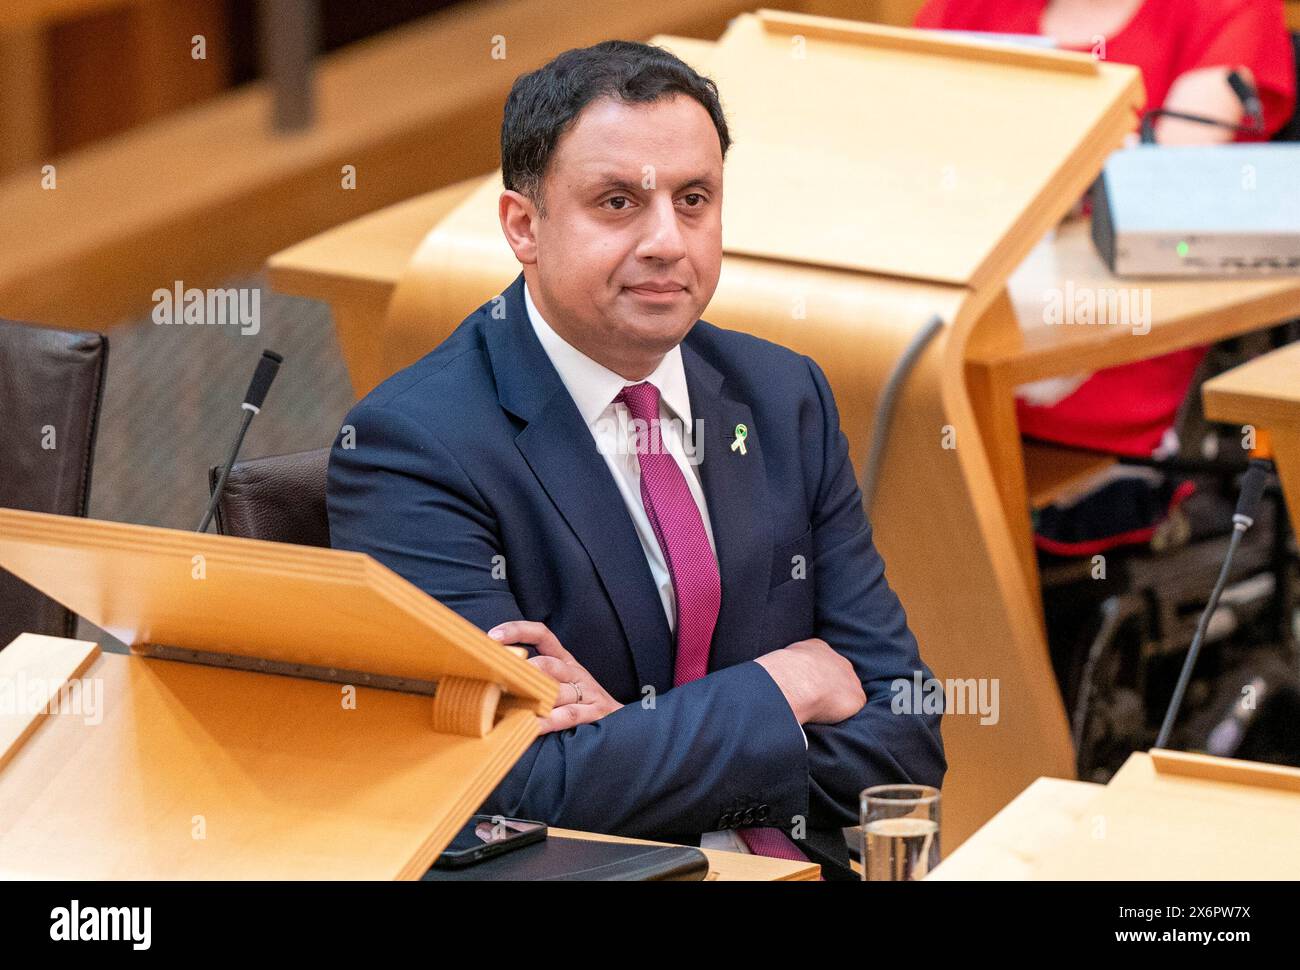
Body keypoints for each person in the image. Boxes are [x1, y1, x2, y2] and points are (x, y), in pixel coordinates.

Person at [326, 40, 945, 879]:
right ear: (524, 226)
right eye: (617, 202)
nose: (667, 240)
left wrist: (630, 737)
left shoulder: (782, 394)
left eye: (695, 200)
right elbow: (509, 784)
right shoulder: (414, 446)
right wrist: (788, 686)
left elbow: (905, 740)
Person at [916, 0, 1297, 456]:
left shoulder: (1226, 10)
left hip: (1117, 330)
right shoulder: (961, 9)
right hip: (951, 303)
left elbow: (1165, 189)